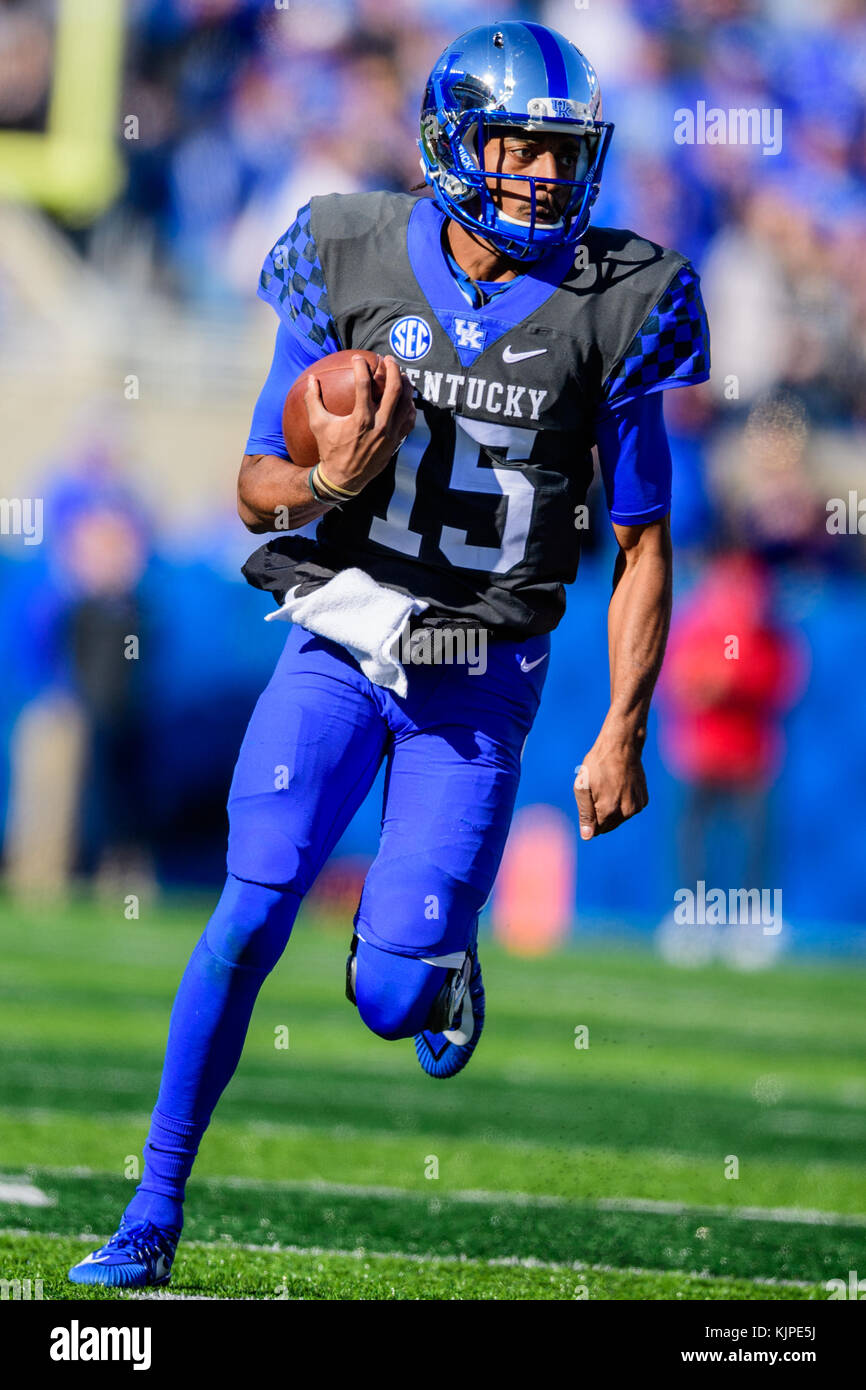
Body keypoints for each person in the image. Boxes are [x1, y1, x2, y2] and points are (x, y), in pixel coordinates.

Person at [69, 20, 709, 1289]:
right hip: (340, 630)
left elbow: (642, 542)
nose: (544, 175)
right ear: (453, 142)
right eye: (519, 148)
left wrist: (621, 727)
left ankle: (439, 963)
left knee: (388, 996)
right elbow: (254, 489)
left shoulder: (620, 298)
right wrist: (324, 479)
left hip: (481, 668)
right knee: (251, 907)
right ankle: (151, 1207)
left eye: (563, 153)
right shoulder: (347, 250)